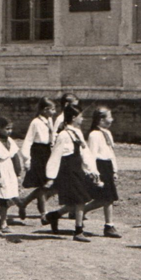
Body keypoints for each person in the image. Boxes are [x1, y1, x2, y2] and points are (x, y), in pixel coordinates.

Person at [43, 103, 99, 242]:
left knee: (76, 201)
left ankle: (53, 216)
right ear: (74, 118)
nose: (83, 119)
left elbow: (84, 152)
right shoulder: (63, 135)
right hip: (68, 169)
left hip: (77, 167)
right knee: (80, 200)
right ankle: (78, 231)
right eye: (81, 116)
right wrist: (50, 176)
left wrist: (91, 169)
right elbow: (55, 155)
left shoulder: (77, 132)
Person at [83, 106, 122, 239]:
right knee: (106, 198)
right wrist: (94, 172)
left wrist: (114, 170)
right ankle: (108, 226)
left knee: (106, 198)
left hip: (107, 166)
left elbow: (111, 153)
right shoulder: (94, 135)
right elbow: (92, 154)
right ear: (101, 119)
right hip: (99, 166)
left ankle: (78, 212)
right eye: (109, 116)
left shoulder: (107, 133)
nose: (112, 119)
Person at [17, 97, 57, 221]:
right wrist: (27, 159)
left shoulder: (49, 120)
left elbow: (52, 136)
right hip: (38, 153)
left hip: (47, 151)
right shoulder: (36, 122)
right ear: (45, 110)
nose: (54, 112)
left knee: (49, 185)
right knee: (44, 185)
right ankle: (43, 213)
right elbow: (28, 141)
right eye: (52, 109)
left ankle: (24, 201)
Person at [0, 117, 21, 233]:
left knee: (12, 196)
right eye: (7, 128)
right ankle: (3, 223)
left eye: (11, 128)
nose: (9, 131)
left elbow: (15, 157)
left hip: (10, 169)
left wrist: (18, 173)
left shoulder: (10, 141)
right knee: (4, 197)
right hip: (2, 170)